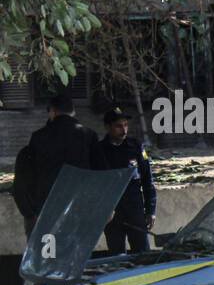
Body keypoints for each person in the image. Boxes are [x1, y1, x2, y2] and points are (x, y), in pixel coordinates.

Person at [19, 92, 105, 236]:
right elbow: (101, 174)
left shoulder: (39, 137)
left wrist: (31, 212)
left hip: (47, 210)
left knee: (49, 256)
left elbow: (30, 177)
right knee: (75, 254)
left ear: (52, 111)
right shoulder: (88, 135)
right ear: (73, 111)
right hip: (80, 208)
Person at [99, 107, 156, 254]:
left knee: (143, 254)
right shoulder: (99, 150)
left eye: (125, 125)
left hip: (135, 211)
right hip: (111, 214)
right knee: (116, 257)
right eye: (118, 126)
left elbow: (147, 180)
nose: (123, 130)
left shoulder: (136, 146)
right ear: (107, 127)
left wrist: (151, 210)